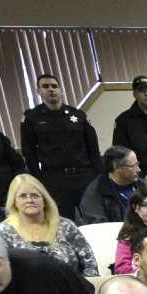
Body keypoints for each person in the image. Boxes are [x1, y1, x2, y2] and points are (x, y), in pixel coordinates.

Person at [20, 73, 99, 223]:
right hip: (55, 179)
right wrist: (38, 180)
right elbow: (29, 153)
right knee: (62, 223)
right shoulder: (32, 118)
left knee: (94, 218)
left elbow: (93, 149)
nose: (50, 90)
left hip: (84, 176)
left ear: (61, 90)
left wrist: (97, 176)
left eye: (54, 86)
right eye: (45, 86)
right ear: (39, 92)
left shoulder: (78, 115)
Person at [0, 174, 98, 277]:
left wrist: (82, 287)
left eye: (35, 195)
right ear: (14, 202)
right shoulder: (3, 232)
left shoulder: (66, 226)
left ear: (45, 200)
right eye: (23, 196)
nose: (30, 200)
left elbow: (90, 265)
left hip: (73, 289)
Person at [76, 147, 141, 225]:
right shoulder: (95, 194)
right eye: (133, 166)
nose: (138, 169)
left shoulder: (143, 185)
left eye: (137, 164)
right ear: (116, 167)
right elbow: (99, 226)